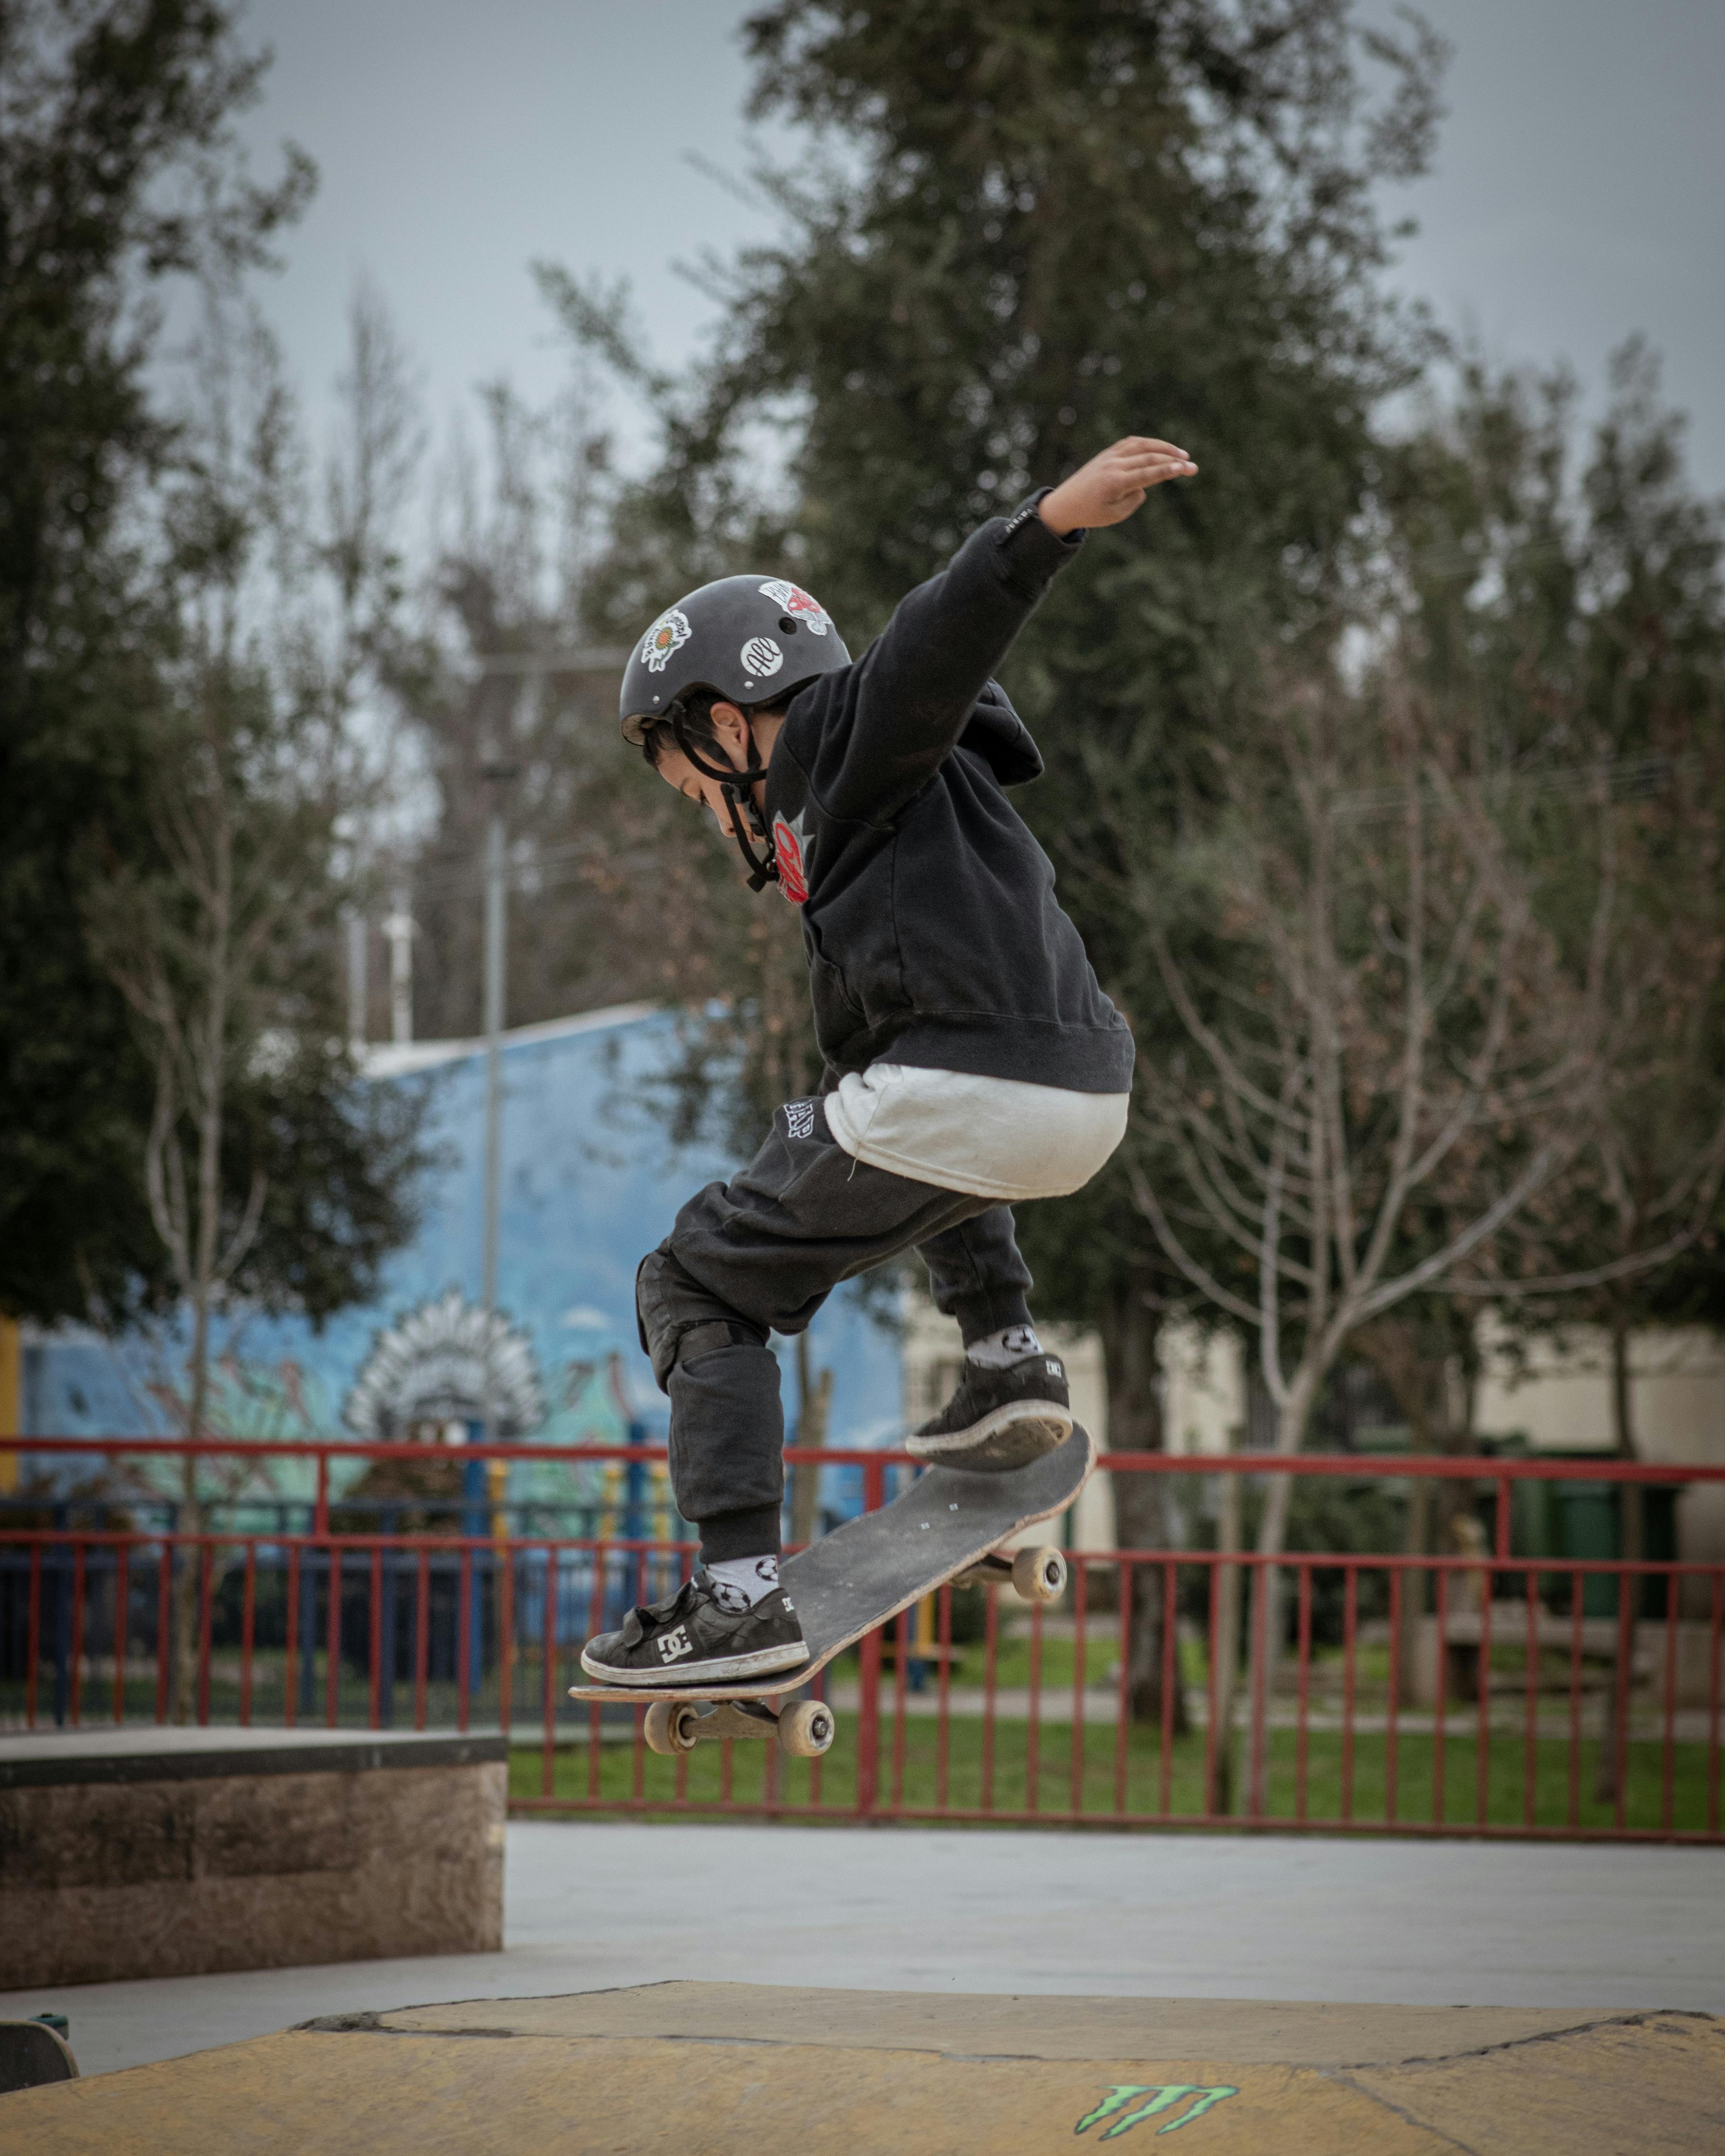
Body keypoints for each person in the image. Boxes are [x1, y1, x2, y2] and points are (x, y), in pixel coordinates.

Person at [582, 436, 1199, 1685]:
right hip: (1080, 1092)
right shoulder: (878, 838)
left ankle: (739, 1593)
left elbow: (932, 646)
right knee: (863, 1112)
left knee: (692, 1281)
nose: (710, 820)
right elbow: (857, 1055)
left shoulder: (838, 734)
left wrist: (1046, 524)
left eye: (694, 790)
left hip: (971, 1084)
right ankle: (1002, 1359)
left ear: (724, 723)